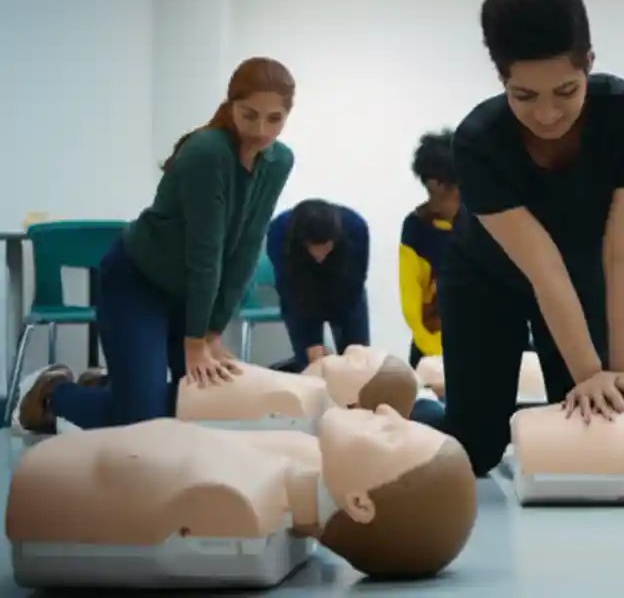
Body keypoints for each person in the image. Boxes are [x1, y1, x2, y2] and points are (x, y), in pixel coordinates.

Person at [438, 0, 624, 476]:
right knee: (475, 447)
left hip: (584, 269)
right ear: (502, 80)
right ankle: (417, 414)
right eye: (525, 96)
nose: (546, 115)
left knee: (593, 420)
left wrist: (622, 379)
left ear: (589, 64)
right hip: (483, 280)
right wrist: (590, 370)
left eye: (565, 91)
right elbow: (542, 269)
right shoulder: (478, 141)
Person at [16, 58, 295, 434]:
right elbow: (206, 252)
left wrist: (212, 332)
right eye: (250, 115)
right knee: (143, 421)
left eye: (274, 119)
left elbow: (247, 246)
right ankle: (52, 394)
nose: (261, 130)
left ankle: (108, 389)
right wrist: (195, 343)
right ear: (231, 106)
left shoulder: (279, 161)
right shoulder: (208, 153)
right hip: (137, 283)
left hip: (187, 295)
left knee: (201, 406)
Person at [265, 199, 370, 373]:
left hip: (345, 291)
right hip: (298, 292)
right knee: (310, 364)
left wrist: (348, 350)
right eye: (314, 248)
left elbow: (355, 285)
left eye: (326, 247)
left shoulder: (355, 228)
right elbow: (290, 289)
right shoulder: (280, 232)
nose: (320, 256)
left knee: (358, 363)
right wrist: (312, 343)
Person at [399, 129, 459, 367]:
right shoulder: (417, 227)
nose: (432, 199)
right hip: (431, 347)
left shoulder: (485, 222)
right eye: (429, 190)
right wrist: (435, 352)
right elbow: (411, 300)